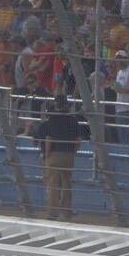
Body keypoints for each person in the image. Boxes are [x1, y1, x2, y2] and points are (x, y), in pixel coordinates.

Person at [32, 92, 81, 220]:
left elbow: (48, 139)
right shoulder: (73, 121)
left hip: (54, 155)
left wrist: (47, 156)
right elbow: (78, 141)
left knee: (52, 186)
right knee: (67, 185)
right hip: (68, 156)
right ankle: (67, 213)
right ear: (67, 106)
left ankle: (53, 213)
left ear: (55, 105)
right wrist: (73, 153)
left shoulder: (50, 120)